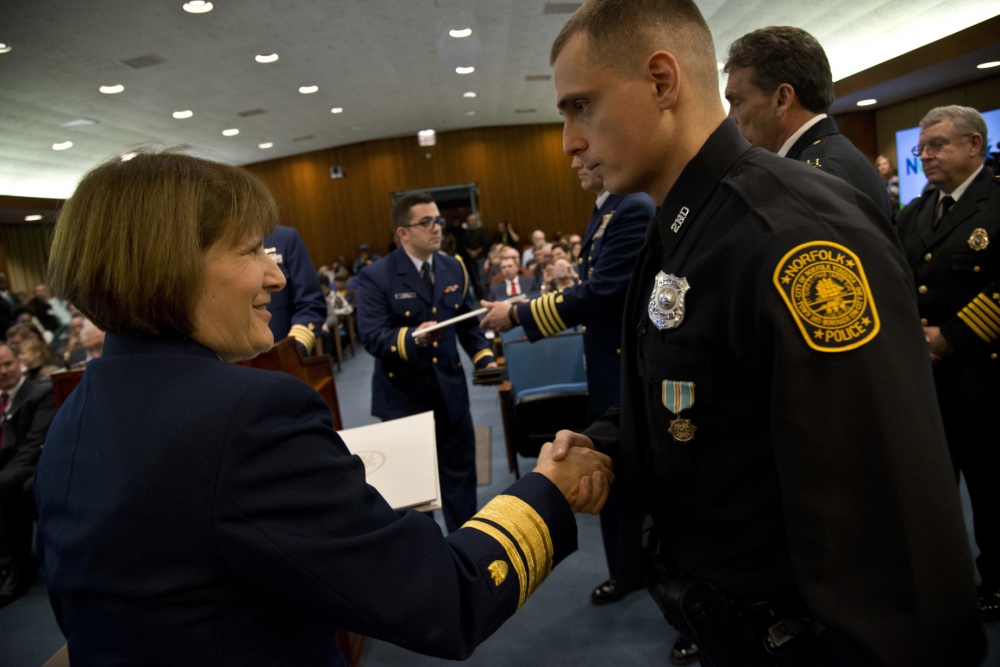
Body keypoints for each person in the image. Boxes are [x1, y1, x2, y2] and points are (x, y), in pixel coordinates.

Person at [34, 152, 613, 666]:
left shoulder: (74, 415)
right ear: (170, 266)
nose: (276, 275)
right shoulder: (247, 416)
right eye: (249, 249)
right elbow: (445, 597)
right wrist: (550, 487)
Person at [548, 2, 985, 665]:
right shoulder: (687, 226)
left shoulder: (791, 235)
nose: (568, 141)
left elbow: (881, 507)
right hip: (730, 619)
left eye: (581, 106)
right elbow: (702, 392)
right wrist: (603, 443)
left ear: (663, 82)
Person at [481, 156, 655, 621]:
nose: (574, 162)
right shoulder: (607, 209)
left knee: (638, 480)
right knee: (615, 471)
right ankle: (627, 570)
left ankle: (655, 583)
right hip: (604, 364)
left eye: (584, 153)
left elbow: (603, 292)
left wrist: (519, 314)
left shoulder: (632, 207)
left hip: (624, 368)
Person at [896, 104, 1000, 622]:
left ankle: (999, 581)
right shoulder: (918, 211)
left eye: (937, 144)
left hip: (984, 378)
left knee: (991, 491)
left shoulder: (996, 203)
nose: (925, 155)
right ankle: (946, 581)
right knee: (934, 489)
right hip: (927, 382)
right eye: (922, 146)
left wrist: (952, 336)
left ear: (974, 145)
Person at [356, 193, 501, 534]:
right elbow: (373, 336)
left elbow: (466, 321)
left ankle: (466, 554)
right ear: (403, 232)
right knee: (415, 497)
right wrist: (411, 338)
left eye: (438, 220)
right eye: (426, 222)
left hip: (450, 393)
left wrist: (484, 357)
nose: (436, 228)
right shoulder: (377, 276)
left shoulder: (453, 266)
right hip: (403, 398)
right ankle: (430, 566)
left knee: (461, 480)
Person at [723, 26, 892, 221]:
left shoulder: (813, 181)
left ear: (782, 100)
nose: (731, 118)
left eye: (736, 102)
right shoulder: (834, 159)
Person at [0, 343, 56, 608]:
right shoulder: (2, 401)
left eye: (7, 363)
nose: (3, 371)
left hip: (31, 464)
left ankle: (20, 566)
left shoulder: (39, 393)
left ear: (19, 361)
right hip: (8, 468)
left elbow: (35, 444)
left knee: (7, 483)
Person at [263, 225, 327, 355]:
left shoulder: (283, 238)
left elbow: (311, 303)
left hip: (283, 356)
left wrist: (293, 350)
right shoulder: (214, 242)